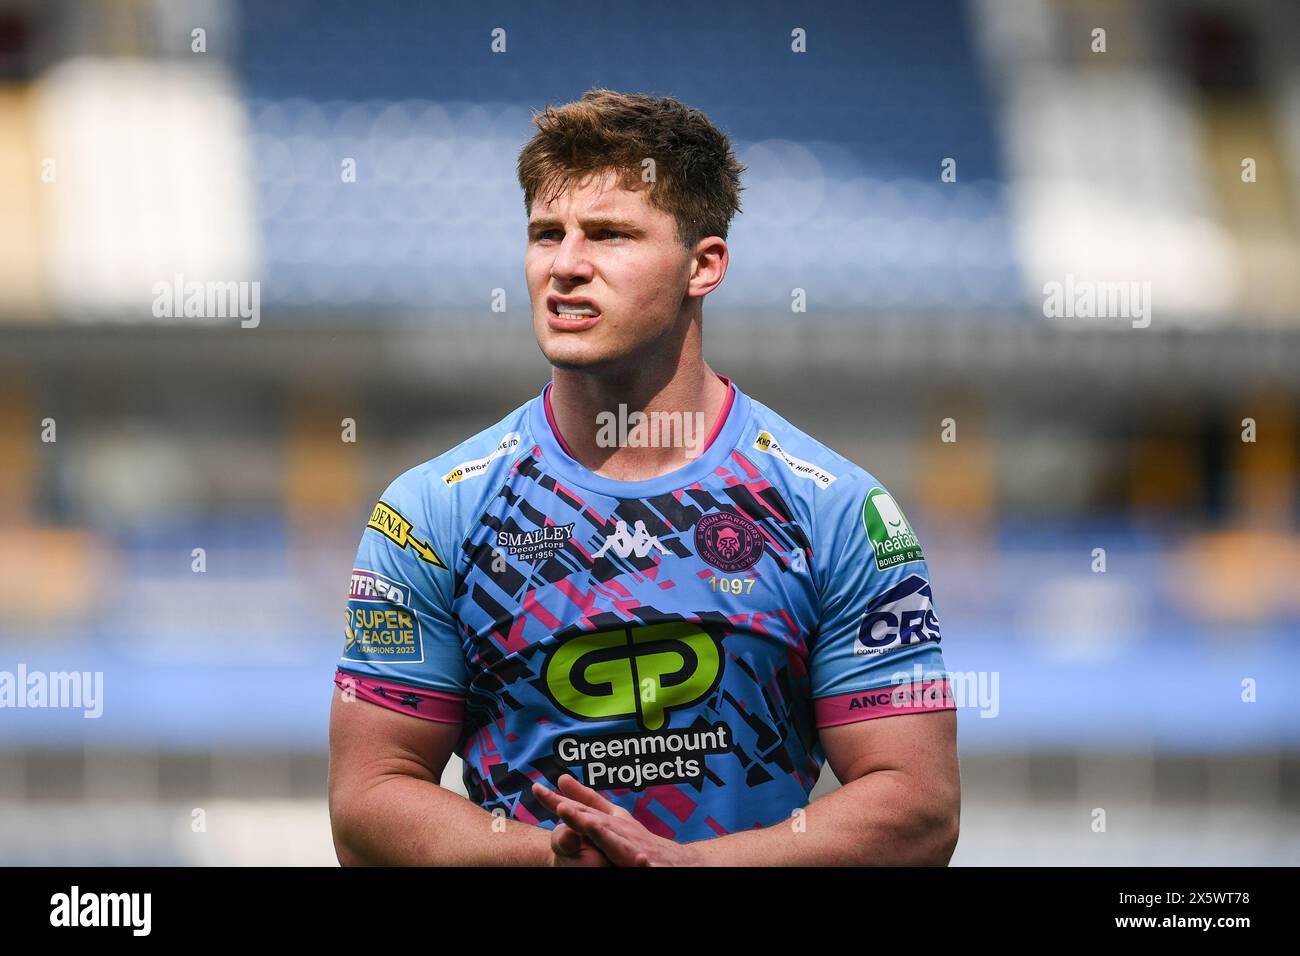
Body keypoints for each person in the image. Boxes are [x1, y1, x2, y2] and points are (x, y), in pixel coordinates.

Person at [328, 89, 959, 866]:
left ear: (704, 266)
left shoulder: (835, 508)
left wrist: (691, 867)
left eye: (610, 235)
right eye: (546, 235)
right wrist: (557, 857)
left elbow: (920, 806)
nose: (565, 266)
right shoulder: (432, 511)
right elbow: (367, 801)